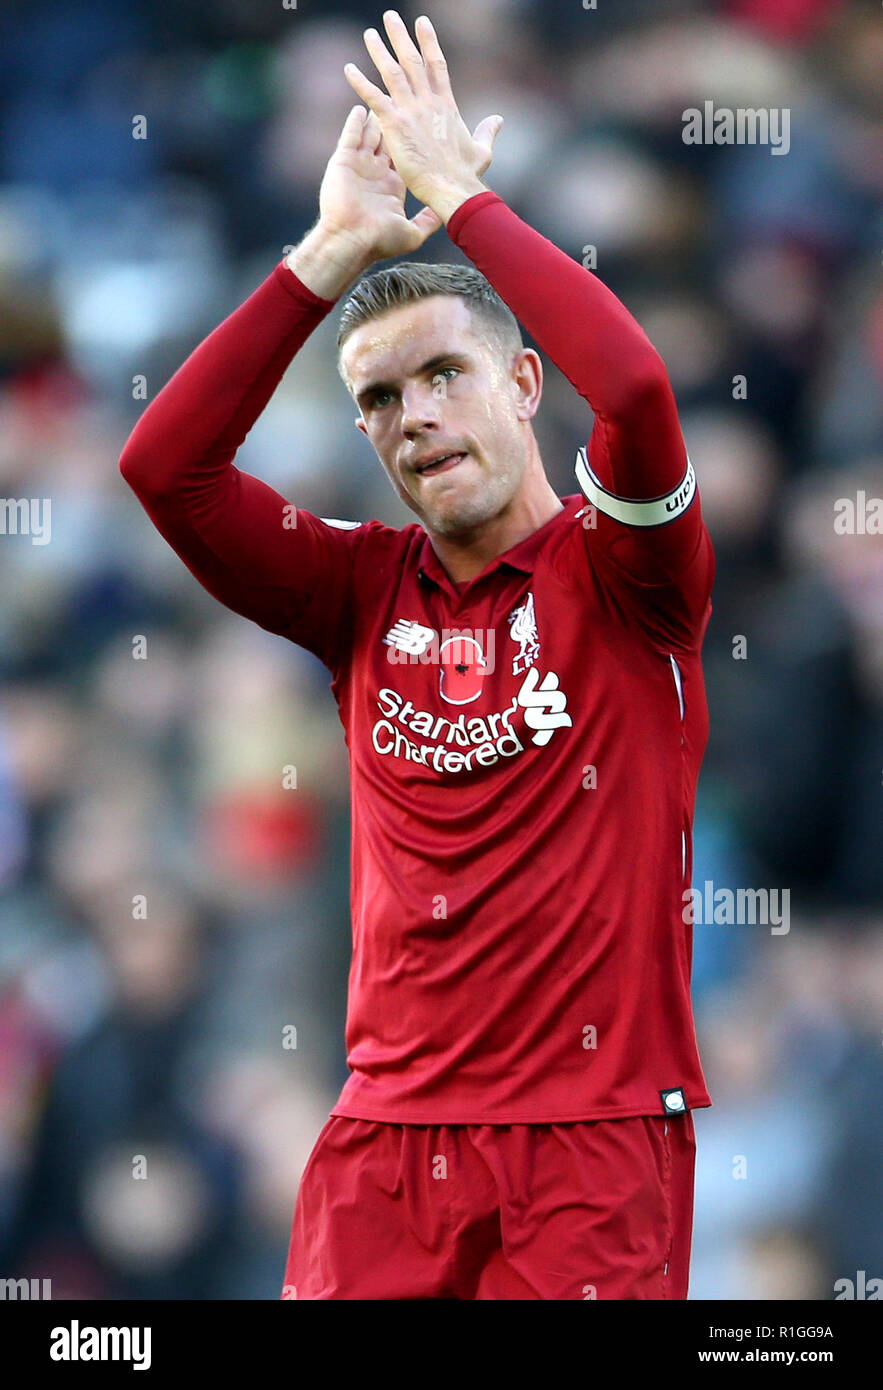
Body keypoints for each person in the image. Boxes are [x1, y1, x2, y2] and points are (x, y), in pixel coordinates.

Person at [119, 10, 715, 1300]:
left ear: (523, 385)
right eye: (380, 399)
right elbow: (164, 468)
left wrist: (464, 201)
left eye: (445, 373)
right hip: (383, 1147)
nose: (415, 417)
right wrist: (326, 257)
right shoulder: (354, 590)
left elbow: (641, 392)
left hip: (591, 1139)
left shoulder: (624, 577)